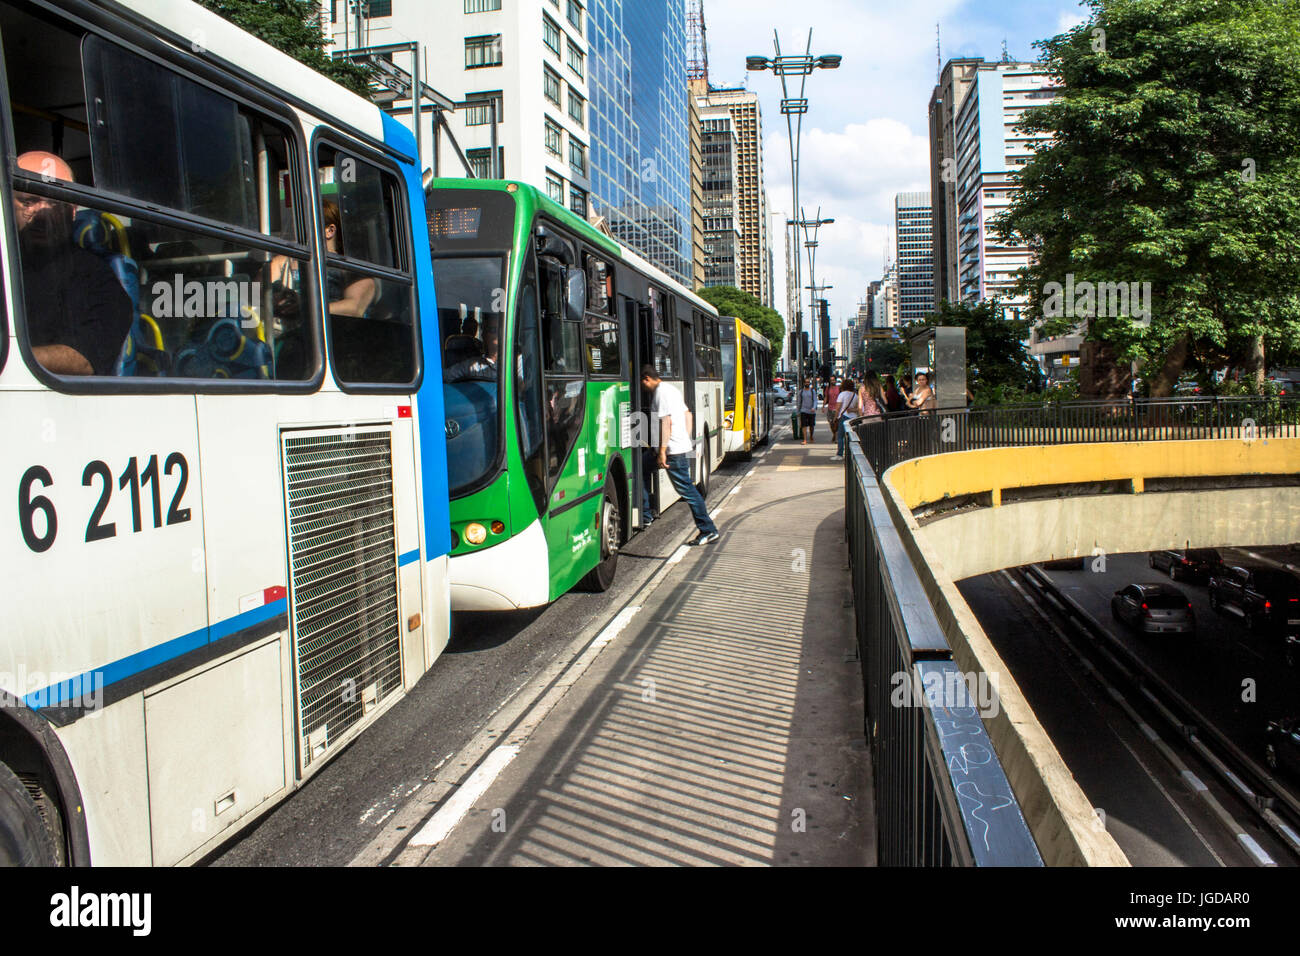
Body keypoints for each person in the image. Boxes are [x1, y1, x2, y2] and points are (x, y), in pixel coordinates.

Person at [14, 151, 132, 376]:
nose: (42, 214)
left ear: (74, 211)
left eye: (54, 203)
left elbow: (84, 360)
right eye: (28, 201)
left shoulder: (98, 279)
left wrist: (10, 356)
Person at [641, 365, 719, 545]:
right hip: (677, 446)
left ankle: (708, 529)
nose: (643, 387)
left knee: (687, 491)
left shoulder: (660, 393)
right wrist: (685, 438)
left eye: (643, 382)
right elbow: (688, 414)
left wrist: (662, 451)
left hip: (671, 451)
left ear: (647, 379)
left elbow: (666, 423)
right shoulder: (671, 389)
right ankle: (646, 514)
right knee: (641, 468)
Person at [830, 378, 859, 461]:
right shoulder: (855, 395)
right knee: (851, 437)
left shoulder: (842, 394)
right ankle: (851, 454)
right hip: (853, 418)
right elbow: (858, 408)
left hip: (844, 417)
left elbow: (838, 407)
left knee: (840, 436)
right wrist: (852, 410)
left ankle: (839, 454)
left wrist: (835, 417)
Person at [797, 379, 818, 444]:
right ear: (804, 383)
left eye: (808, 382)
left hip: (811, 411)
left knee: (811, 426)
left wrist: (814, 407)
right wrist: (798, 411)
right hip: (803, 410)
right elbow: (799, 402)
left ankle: (811, 436)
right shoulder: (801, 392)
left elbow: (815, 400)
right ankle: (805, 439)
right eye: (806, 382)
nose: (807, 383)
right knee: (804, 425)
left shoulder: (812, 391)